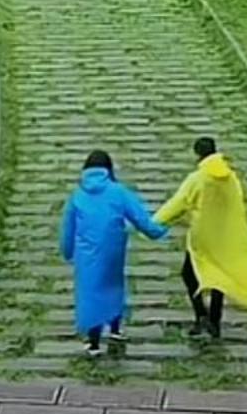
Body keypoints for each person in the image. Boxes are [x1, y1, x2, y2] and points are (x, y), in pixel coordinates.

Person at [59, 150, 167, 357]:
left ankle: (93, 341)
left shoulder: (77, 196)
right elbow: (141, 219)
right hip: (113, 251)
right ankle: (116, 328)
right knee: (113, 286)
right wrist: (159, 230)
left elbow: (68, 228)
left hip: (87, 253)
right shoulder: (119, 192)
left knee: (90, 291)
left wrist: (67, 251)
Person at [156, 137, 247, 340]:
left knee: (189, 275)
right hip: (223, 236)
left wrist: (152, 225)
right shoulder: (231, 178)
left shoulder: (197, 179)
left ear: (197, 155)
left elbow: (177, 205)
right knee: (219, 278)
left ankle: (200, 315)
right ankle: (215, 321)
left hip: (201, 237)